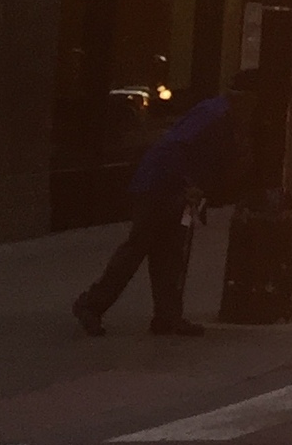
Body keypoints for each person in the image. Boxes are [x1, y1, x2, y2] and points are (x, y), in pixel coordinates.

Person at [74, 92, 236, 336]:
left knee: (169, 251)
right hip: (159, 184)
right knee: (139, 247)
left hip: (169, 184)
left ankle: (167, 316)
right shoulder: (216, 115)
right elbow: (180, 145)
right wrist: (190, 183)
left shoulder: (220, 115)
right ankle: (92, 304)